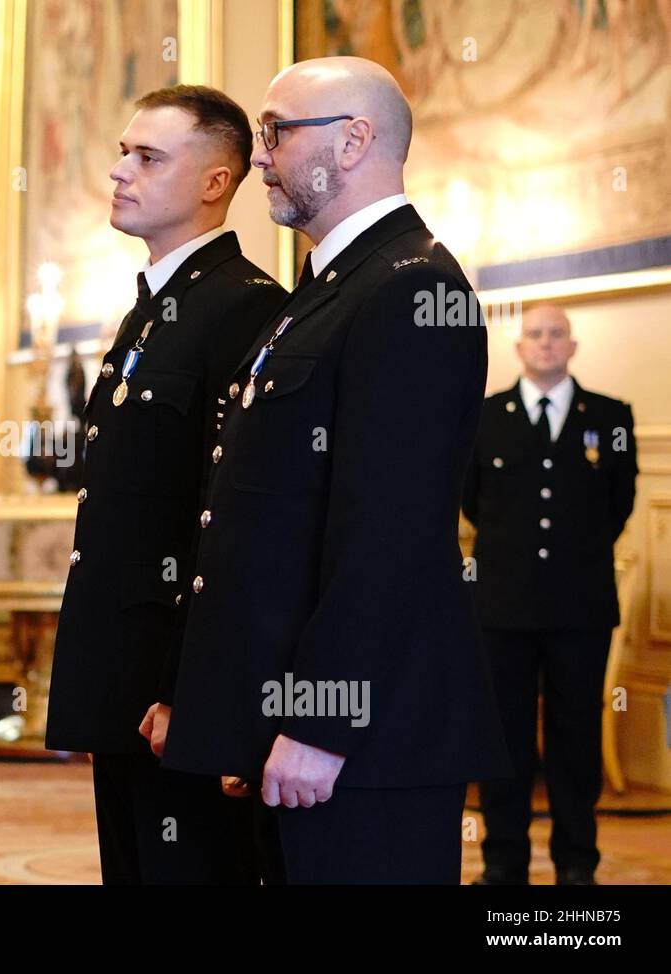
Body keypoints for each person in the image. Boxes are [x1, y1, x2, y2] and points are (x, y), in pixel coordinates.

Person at [153, 57, 510, 884]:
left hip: (362, 741)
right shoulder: (331, 286)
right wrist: (249, 714)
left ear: (354, 141)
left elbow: (390, 535)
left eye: (277, 132)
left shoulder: (413, 285)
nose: (260, 156)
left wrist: (320, 724)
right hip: (300, 726)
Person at [45, 85, 287, 884]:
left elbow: (231, 521)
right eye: (123, 152)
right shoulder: (155, 307)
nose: (120, 171)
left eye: (148, 157)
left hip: (174, 683)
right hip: (127, 672)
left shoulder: (244, 309)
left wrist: (196, 688)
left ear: (216, 182)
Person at [463, 304, 638, 885]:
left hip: (580, 608)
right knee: (504, 738)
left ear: (572, 345)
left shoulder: (611, 416)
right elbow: (472, 503)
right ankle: (502, 862)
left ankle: (576, 864)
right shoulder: (484, 418)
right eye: (534, 334)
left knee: (575, 739)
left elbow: (619, 506)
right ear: (519, 348)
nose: (544, 343)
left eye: (555, 334)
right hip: (502, 607)